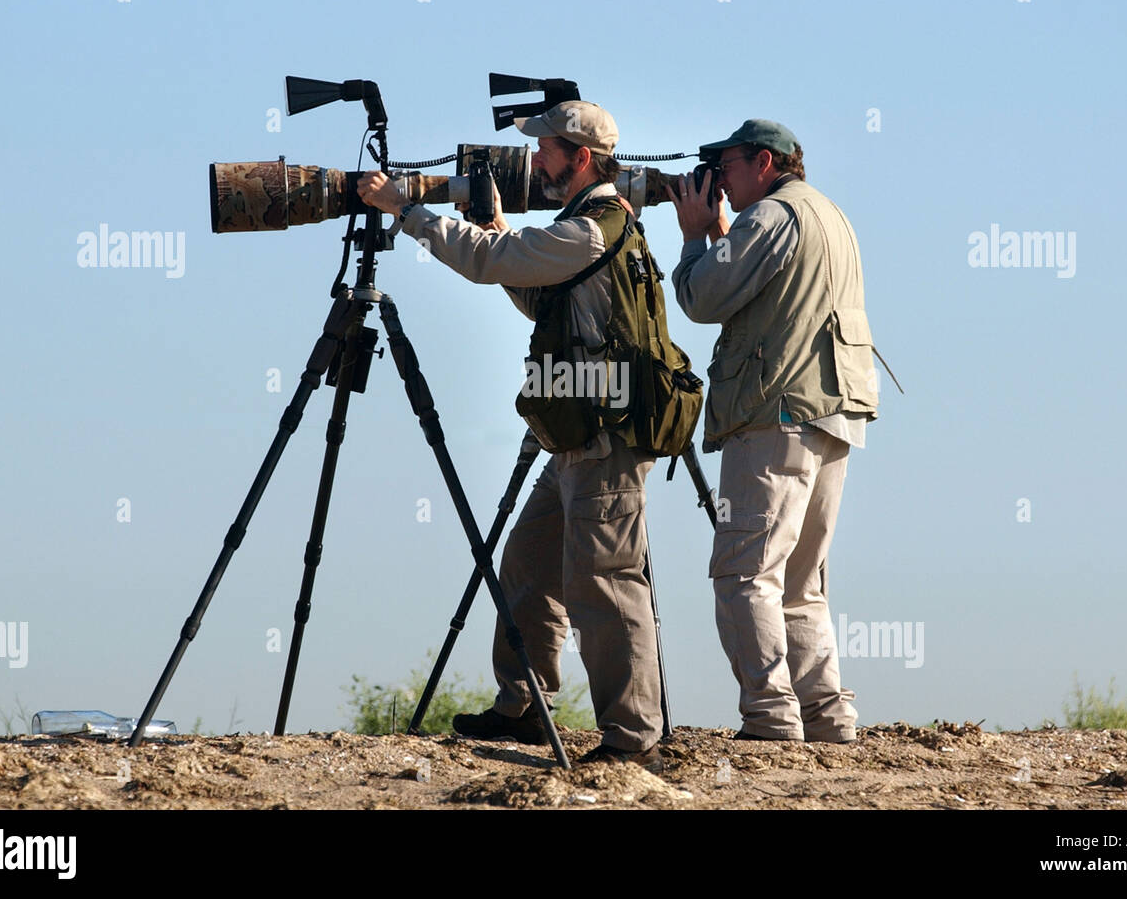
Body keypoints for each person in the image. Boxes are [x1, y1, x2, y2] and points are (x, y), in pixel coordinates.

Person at [355, 101, 668, 772]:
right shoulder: (588, 227)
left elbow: (485, 261)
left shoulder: (589, 230)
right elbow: (533, 288)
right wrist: (497, 229)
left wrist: (404, 210)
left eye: (547, 149)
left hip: (603, 436)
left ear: (580, 156)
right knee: (528, 561)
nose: (538, 162)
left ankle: (632, 740)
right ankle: (525, 704)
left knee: (605, 588)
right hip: (576, 433)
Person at [667, 119, 892, 743]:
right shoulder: (826, 213)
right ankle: (827, 716)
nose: (720, 182)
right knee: (800, 581)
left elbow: (702, 300)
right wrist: (719, 234)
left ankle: (770, 715)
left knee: (744, 573)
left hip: (775, 416)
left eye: (729, 167)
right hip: (833, 413)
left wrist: (693, 240)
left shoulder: (769, 217)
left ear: (765, 161)